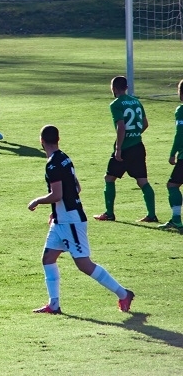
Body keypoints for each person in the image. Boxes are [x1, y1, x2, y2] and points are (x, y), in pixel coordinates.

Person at [28, 124, 134, 315]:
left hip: (71, 221)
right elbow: (76, 188)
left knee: (84, 264)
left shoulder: (52, 164)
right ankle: (54, 305)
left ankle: (123, 293)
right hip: (62, 219)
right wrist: (57, 211)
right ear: (58, 139)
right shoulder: (65, 158)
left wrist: (37, 201)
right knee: (48, 258)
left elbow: (57, 194)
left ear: (41, 141)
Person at [94, 76, 157, 222]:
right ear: (126, 87)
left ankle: (109, 214)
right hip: (138, 146)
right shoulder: (136, 101)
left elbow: (121, 127)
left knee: (109, 178)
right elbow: (145, 124)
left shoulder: (116, 104)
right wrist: (135, 135)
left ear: (114, 89)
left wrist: (118, 148)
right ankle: (152, 215)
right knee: (142, 181)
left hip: (125, 148)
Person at [159, 79, 183, 230]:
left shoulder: (181, 110)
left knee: (172, 185)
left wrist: (172, 153)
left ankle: (176, 220)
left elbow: (180, 134)